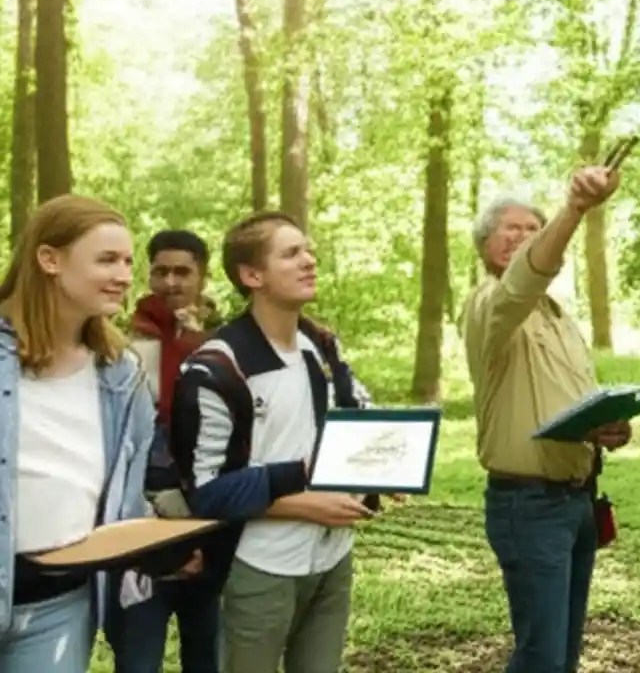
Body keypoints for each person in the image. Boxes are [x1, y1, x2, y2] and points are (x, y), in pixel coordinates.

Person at [168, 211, 373, 673]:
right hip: (261, 564)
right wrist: (304, 500)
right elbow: (207, 492)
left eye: (308, 250)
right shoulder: (216, 368)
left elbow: (359, 419)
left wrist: (384, 470)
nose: (309, 261)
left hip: (332, 556)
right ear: (251, 275)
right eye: (291, 253)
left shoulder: (321, 345)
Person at [462, 171, 632, 673]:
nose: (526, 235)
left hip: (576, 500)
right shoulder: (488, 306)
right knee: (540, 656)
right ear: (488, 247)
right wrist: (575, 208)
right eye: (512, 229)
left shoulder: (560, 318)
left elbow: (570, 407)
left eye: (535, 226)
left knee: (563, 655)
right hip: (528, 505)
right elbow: (522, 281)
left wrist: (607, 429)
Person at [0, 195, 155, 672]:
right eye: (107, 259)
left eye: (129, 261)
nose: (125, 275)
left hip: (59, 605)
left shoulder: (121, 372)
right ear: (49, 259)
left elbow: (129, 492)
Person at [108, 230, 223, 673]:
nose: (171, 282)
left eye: (183, 272)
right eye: (161, 271)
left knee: (207, 653)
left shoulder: (224, 342)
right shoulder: (122, 340)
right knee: (137, 658)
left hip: (207, 520)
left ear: (202, 277)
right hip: (143, 524)